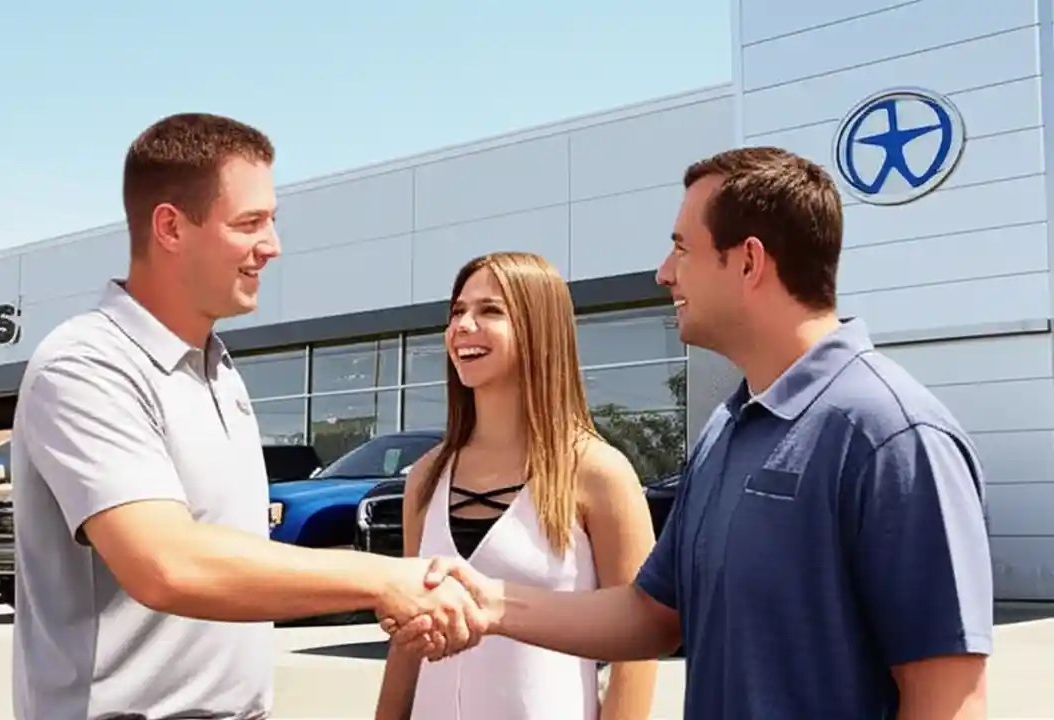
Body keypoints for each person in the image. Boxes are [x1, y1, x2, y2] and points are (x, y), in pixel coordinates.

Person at [386, 146, 993, 720]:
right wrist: (491, 604)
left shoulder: (894, 436)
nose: (663, 273)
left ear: (749, 262)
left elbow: (949, 695)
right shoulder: (726, 433)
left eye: (682, 248)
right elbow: (653, 613)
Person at [9, 112, 487, 720]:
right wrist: (380, 579)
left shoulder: (218, 369)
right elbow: (166, 563)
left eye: (272, 221)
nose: (272, 245)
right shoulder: (86, 367)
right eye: (249, 223)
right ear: (170, 227)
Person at [373, 251, 659, 720]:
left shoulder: (597, 472)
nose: (463, 325)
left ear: (537, 328)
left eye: (489, 311)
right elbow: (408, 643)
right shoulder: (426, 476)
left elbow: (638, 650)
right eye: (457, 312)